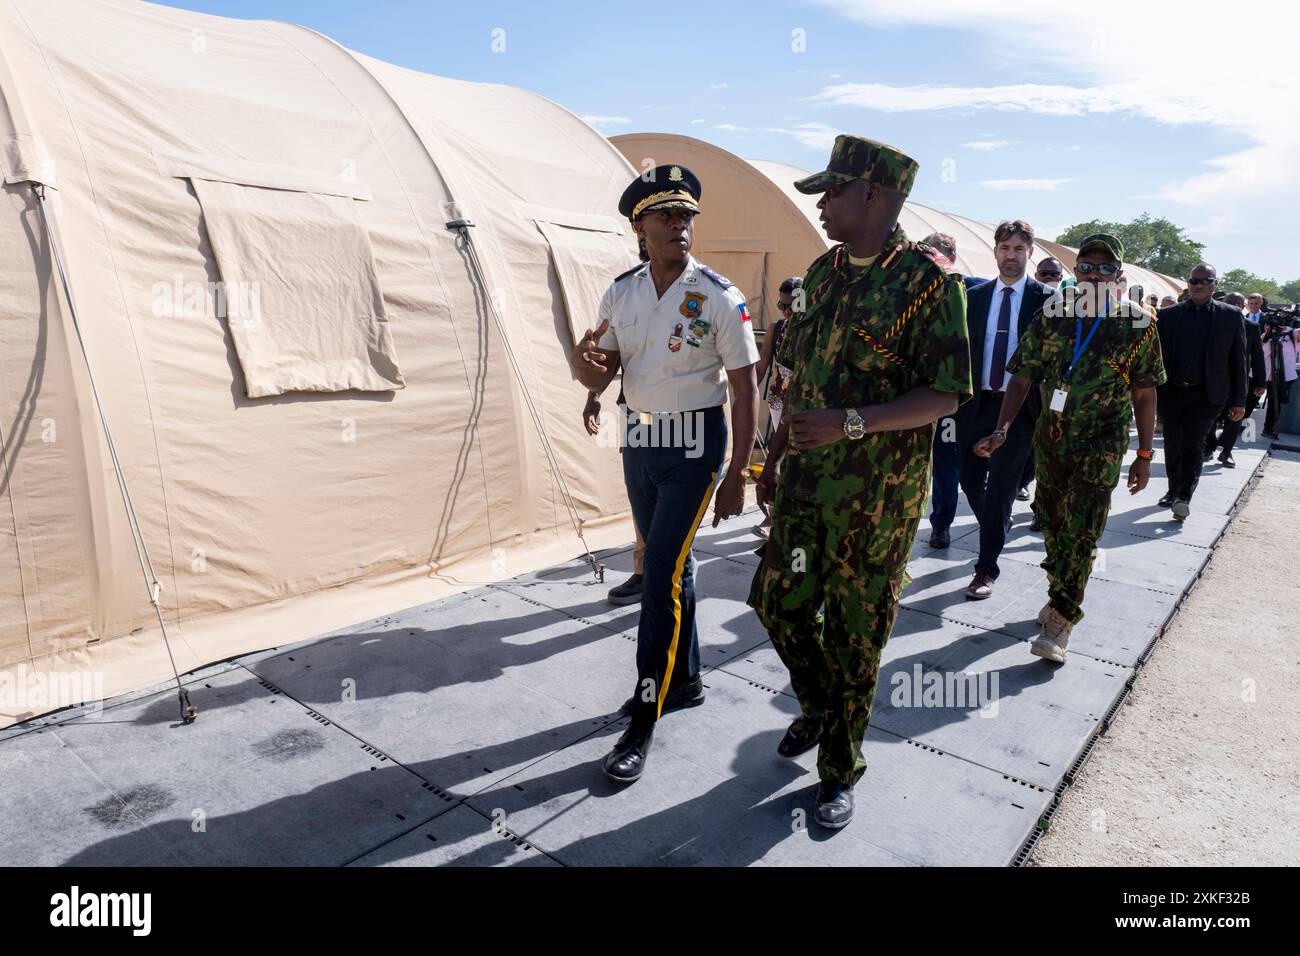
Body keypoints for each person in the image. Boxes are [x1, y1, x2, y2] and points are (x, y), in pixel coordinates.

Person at [747, 135, 972, 828]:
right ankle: (817, 704)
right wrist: (776, 453)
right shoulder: (820, 274)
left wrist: (852, 424)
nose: (819, 204)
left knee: (855, 635)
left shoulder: (932, 285)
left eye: (832, 191)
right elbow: (800, 376)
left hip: (876, 502)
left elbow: (946, 394)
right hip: (807, 487)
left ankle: (840, 768)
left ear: (872, 195)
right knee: (776, 602)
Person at [571, 164, 759, 784]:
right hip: (641, 438)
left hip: (694, 446)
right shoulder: (621, 291)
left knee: (658, 577)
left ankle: (644, 714)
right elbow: (605, 372)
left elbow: (744, 386)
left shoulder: (719, 295)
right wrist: (584, 371)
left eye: (686, 216)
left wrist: (739, 473)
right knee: (672, 566)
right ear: (639, 228)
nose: (680, 224)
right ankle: (689, 682)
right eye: (666, 216)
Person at [974, 233, 1165, 662]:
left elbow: (1146, 393)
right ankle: (1059, 591)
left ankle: (1061, 619)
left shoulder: (1139, 322)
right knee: (1055, 525)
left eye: (1104, 268)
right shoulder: (1052, 315)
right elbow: (1021, 376)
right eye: (1086, 266)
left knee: (1083, 530)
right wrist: (1003, 428)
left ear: (1118, 274)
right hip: (1052, 441)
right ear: (1075, 271)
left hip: (1102, 444)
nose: (1094, 275)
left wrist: (1145, 454)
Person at [953, 221, 1053, 599]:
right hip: (975, 406)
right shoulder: (974, 298)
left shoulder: (1046, 300)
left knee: (1000, 490)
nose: (1011, 255)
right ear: (995, 251)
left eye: (1018, 249)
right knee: (970, 482)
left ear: (1030, 252)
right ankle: (999, 525)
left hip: (1021, 411)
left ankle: (985, 569)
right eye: (1005, 248)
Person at [1154, 263, 1246, 521]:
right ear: (1188, 283)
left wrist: (1239, 400)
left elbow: (1239, 361)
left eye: (1205, 280)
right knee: (1173, 443)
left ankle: (1184, 497)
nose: (1199, 284)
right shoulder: (1168, 316)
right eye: (1195, 280)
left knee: (1193, 444)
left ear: (1214, 284)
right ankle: (1173, 490)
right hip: (1172, 392)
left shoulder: (1230, 316)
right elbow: (1156, 358)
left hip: (1207, 395)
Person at [919, 231, 987, 549]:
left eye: (939, 252)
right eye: (928, 252)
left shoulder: (973, 289)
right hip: (920, 395)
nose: (932, 258)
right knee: (935, 463)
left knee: (959, 464)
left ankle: (983, 517)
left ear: (952, 257)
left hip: (958, 397)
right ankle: (937, 524)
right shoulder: (910, 288)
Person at [583, 387, 648, 603]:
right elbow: (610, 355)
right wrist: (594, 394)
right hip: (636, 410)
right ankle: (644, 573)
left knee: (672, 504)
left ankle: (676, 569)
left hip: (679, 407)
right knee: (642, 498)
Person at [752, 277, 802, 539]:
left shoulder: (814, 329)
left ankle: (790, 515)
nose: (786, 311)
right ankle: (772, 516)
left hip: (804, 403)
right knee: (777, 457)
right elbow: (763, 364)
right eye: (782, 305)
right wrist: (747, 394)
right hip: (779, 400)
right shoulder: (777, 327)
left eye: (791, 306)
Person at [1202, 292, 1265, 467]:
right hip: (1213, 380)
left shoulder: (1251, 327)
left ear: (1243, 306)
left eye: (1239, 302)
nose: (1236, 305)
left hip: (1239, 380)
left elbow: (1257, 356)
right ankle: (1208, 448)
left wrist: (1260, 381)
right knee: (1210, 416)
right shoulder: (1211, 323)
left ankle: (1227, 451)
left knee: (1236, 416)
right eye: (1231, 302)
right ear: (1223, 303)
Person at [1262, 313, 1300, 438]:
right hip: (1265, 374)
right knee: (1252, 401)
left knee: (1275, 401)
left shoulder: (1291, 334)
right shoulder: (1265, 336)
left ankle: (1269, 428)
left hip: (1285, 376)